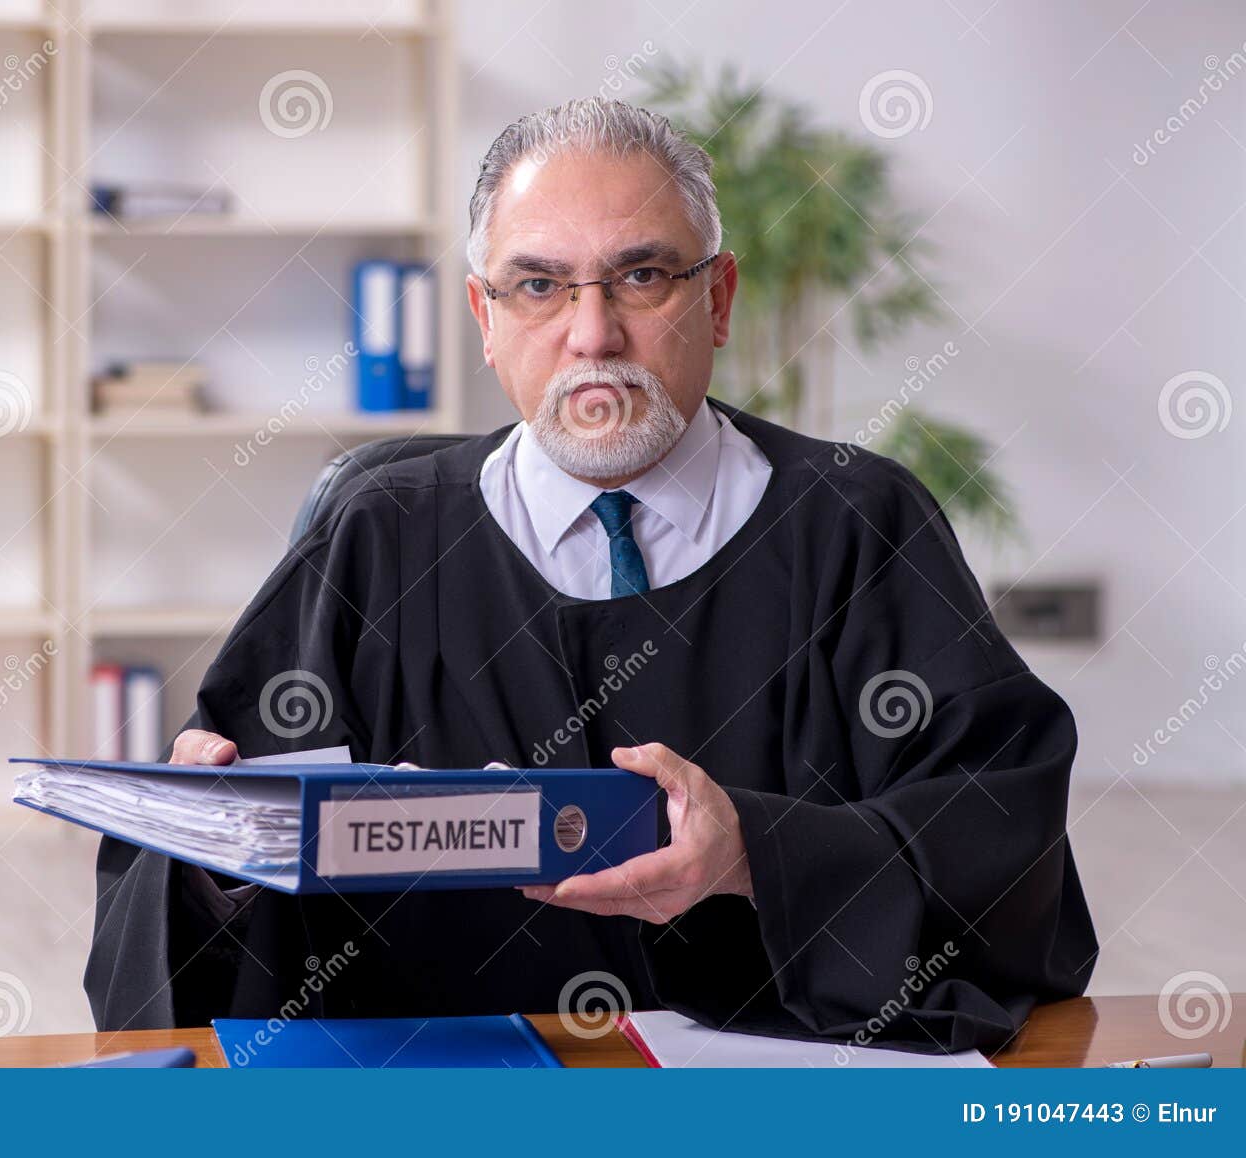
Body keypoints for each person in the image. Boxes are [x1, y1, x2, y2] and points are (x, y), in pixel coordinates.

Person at [85, 97, 1097, 1052]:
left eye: (642, 276)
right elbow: (194, 880)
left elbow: (996, 838)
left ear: (719, 298)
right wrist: (217, 869)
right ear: (484, 318)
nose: (591, 334)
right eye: (538, 285)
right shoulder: (379, 534)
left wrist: (756, 855)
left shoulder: (854, 523)